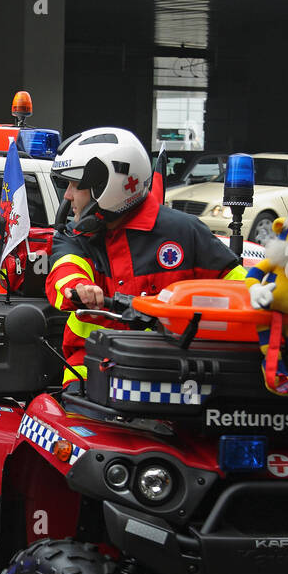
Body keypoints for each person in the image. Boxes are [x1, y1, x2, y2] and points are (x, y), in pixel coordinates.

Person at [46, 127, 245, 385]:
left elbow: (243, 289)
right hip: (90, 380)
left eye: (75, 185)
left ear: (108, 186)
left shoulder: (185, 232)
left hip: (174, 381)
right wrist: (80, 288)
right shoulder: (75, 236)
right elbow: (65, 272)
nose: (67, 195)